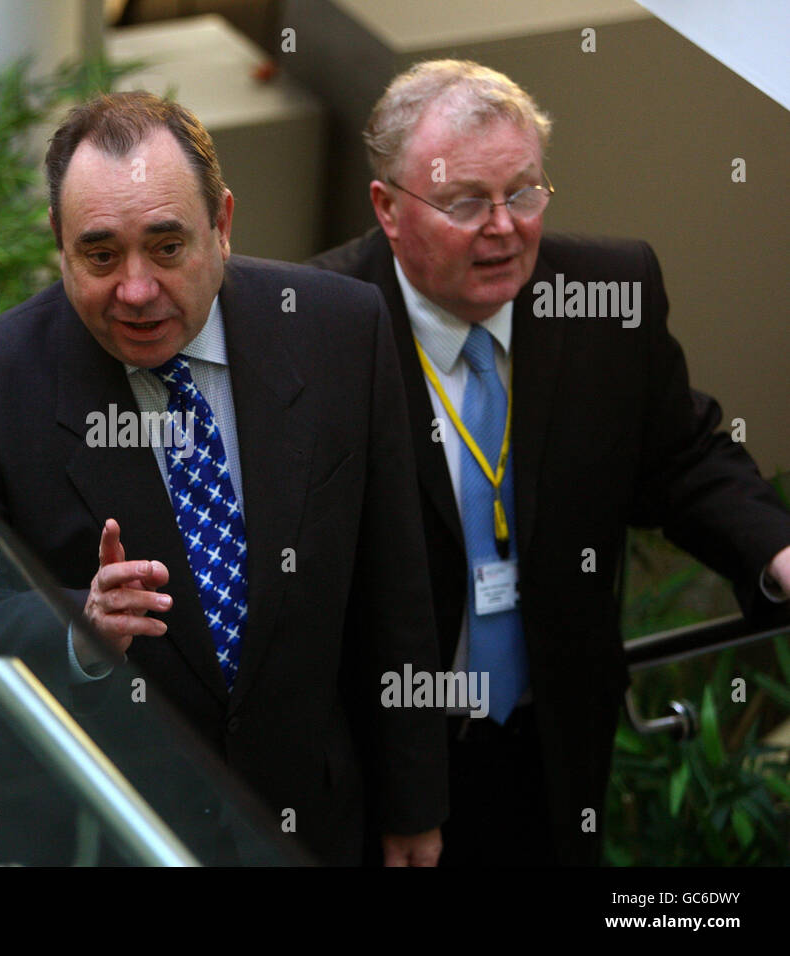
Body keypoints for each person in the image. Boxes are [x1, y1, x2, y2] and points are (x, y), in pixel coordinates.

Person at [0, 91, 448, 865]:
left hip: (310, 826)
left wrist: (413, 807)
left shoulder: (339, 331)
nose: (135, 288)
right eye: (100, 255)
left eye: (167, 247)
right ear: (58, 243)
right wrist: (73, 623)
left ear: (222, 225)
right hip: (106, 835)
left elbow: (394, 585)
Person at [309, 59, 790, 865]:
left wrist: (778, 553)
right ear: (388, 209)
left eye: (524, 192)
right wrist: (401, 790)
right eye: (467, 202)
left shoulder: (607, 291)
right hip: (381, 767)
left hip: (553, 750)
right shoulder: (314, 323)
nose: (504, 227)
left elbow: (681, 459)